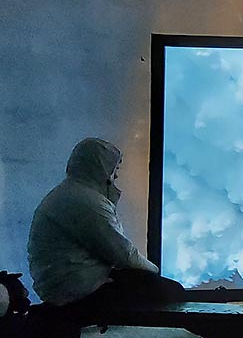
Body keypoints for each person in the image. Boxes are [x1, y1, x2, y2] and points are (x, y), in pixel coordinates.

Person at [27, 138, 184, 321]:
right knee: (171, 292)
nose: (116, 176)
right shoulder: (87, 202)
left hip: (63, 286)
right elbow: (124, 255)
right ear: (101, 167)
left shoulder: (70, 193)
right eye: (114, 169)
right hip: (76, 290)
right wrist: (154, 271)